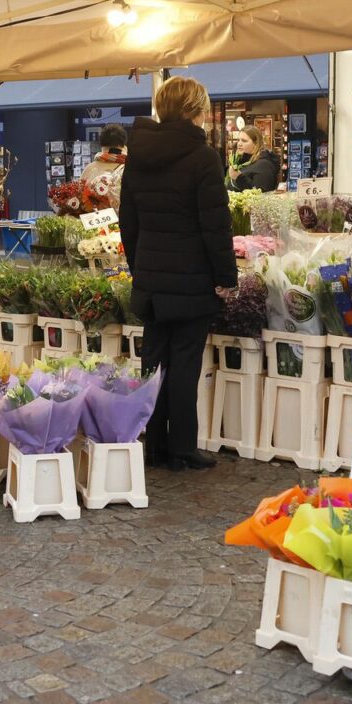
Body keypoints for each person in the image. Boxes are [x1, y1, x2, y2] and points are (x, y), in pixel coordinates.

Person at [119, 76, 237, 471]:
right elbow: (215, 225)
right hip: (191, 281)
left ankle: (154, 445)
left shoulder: (139, 155)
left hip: (152, 280)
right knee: (185, 365)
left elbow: (128, 223)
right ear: (192, 111)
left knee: (153, 364)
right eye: (202, 108)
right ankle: (182, 448)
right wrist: (226, 276)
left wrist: (142, 268)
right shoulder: (203, 158)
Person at [80, 124, 128, 208]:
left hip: (94, 218)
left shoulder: (89, 169)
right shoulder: (129, 169)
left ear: (101, 144)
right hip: (121, 218)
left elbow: (80, 195)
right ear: (123, 144)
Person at [226, 127, 281, 191]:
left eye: (244, 141)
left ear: (256, 144)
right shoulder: (243, 161)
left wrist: (239, 178)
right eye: (238, 140)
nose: (239, 144)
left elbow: (261, 194)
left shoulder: (264, 165)